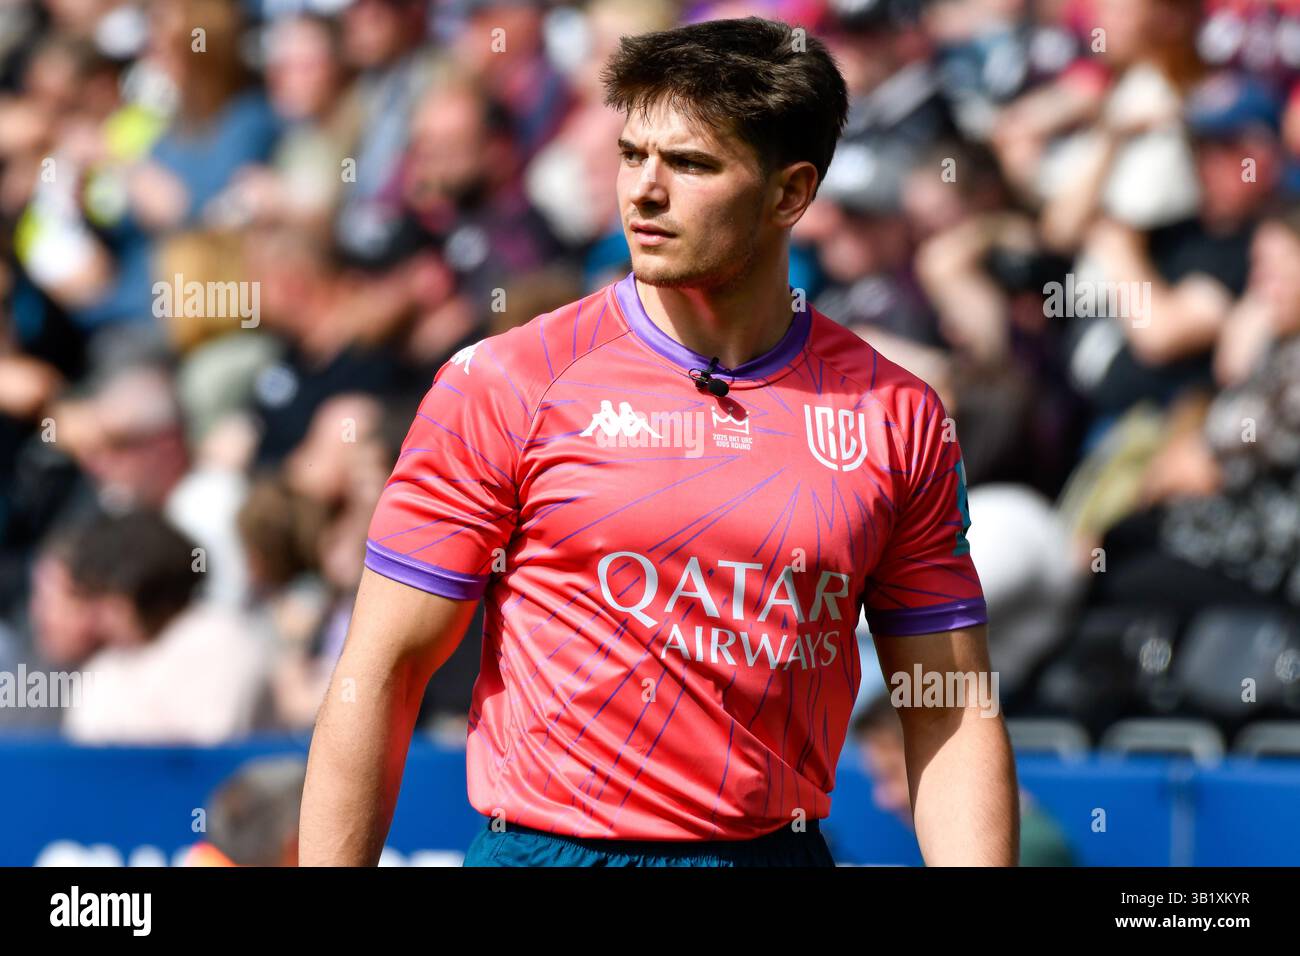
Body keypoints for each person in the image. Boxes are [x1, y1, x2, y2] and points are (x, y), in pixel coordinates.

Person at [300, 16, 1017, 868]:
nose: (643, 190)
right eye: (633, 155)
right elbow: (380, 671)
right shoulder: (505, 382)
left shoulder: (896, 416)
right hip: (548, 853)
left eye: (690, 164)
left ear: (791, 193)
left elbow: (949, 704)